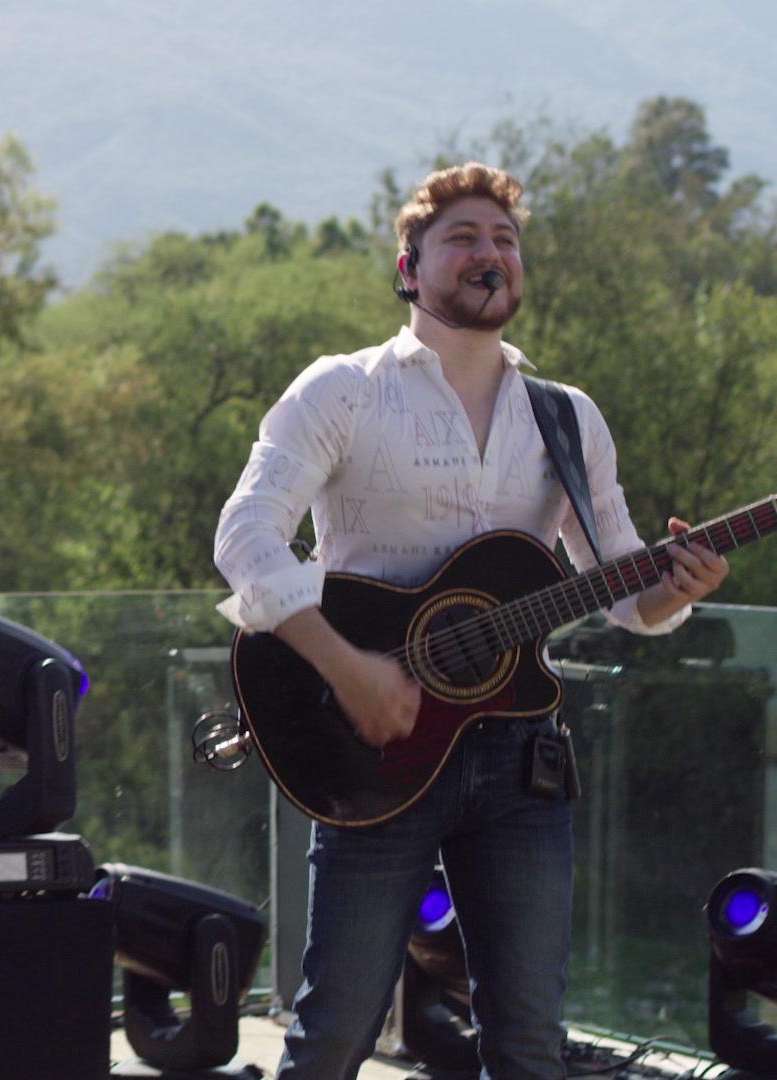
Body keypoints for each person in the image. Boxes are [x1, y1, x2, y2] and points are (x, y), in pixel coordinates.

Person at [213, 162, 729, 1078]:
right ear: (410, 269)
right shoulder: (345, 389)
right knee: (332, 1034)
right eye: (463, 238)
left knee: (529, 1042)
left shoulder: (567, 418)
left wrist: (676, 590)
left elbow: (620, 589)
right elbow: (246, 539)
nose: (490, 253)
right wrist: (351, 670)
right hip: (374, 748)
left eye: (505, 240)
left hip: (519, 761)